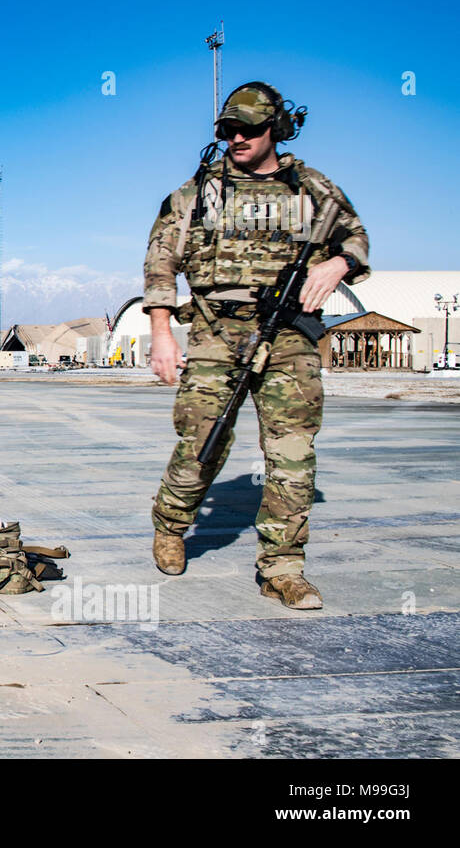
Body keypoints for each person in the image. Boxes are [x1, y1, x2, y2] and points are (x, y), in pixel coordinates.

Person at [143, 81, 370, 608]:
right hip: (216, 334)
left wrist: (339, 263)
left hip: (289, 336)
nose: (237, 138)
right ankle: (171, 522)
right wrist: (161, 334)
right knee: (204, 443)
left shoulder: (312, 189)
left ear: (276, 129)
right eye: (228, 130)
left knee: (293, 453)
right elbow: (159, 264)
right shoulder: (196, 194)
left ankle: (283, 568)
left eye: (249, 129)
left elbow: (356, 237)